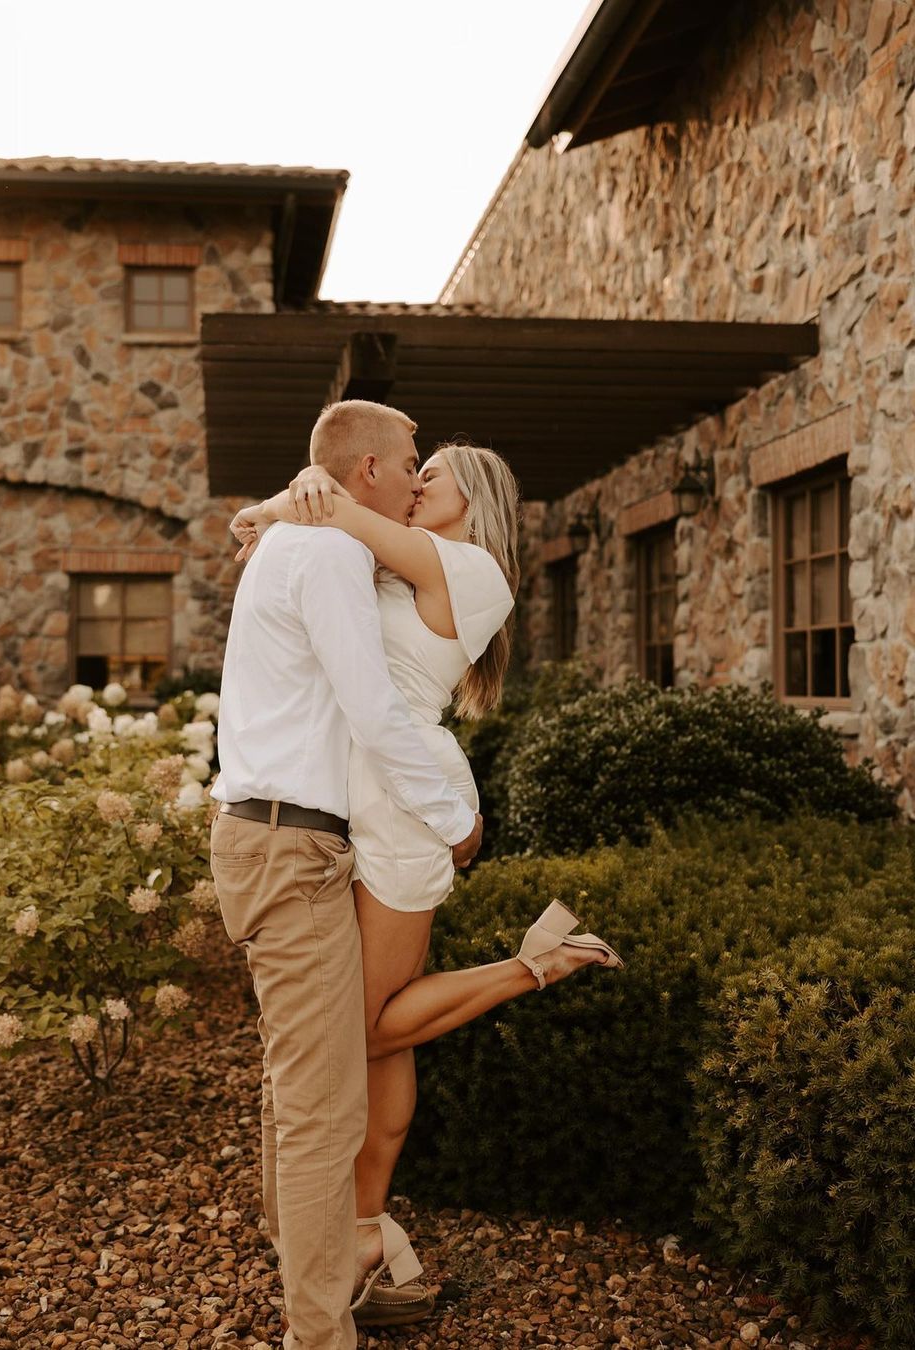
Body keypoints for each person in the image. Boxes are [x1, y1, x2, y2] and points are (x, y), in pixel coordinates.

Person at [229, 405, 625, 1326]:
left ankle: (533, 967)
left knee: (358, 1029)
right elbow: (313, 524)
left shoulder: (471, 568)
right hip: (369, 799)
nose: (415, 485)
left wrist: (296, 494)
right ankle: (363, 1226)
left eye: (430, 475)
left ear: (470, 498)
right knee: (379, 1029)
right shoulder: (399, 560)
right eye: (412, 468)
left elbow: (338, 506)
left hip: (405, 807)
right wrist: (290, 501)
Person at [209, 399, 485, 1349]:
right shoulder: (327, 553)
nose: (415, 477)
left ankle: (302, 1259)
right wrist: (455, 818)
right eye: (409, 461)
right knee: (324, 1111)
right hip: (291, 848)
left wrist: (278, 504)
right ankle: (319, 1333)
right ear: (368, 470)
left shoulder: (312, 540)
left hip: (281, 840)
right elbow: (373, 708)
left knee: (299, 1087)